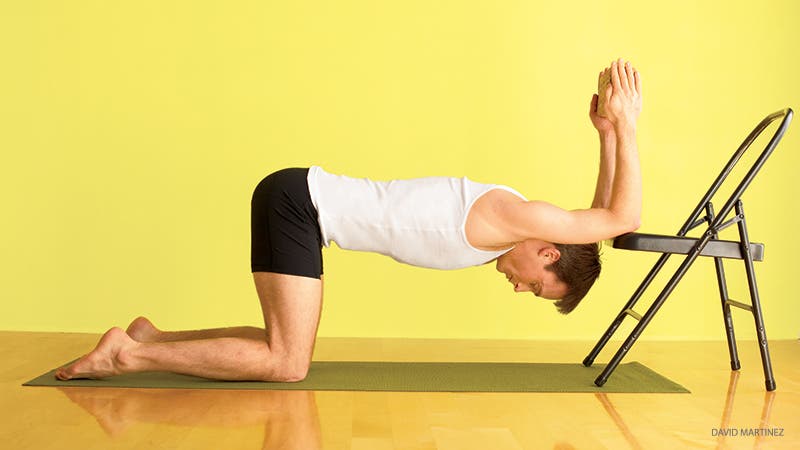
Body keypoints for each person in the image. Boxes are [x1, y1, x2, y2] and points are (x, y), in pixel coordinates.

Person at [56, 59, 642, 382]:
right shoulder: (513, 215)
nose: (518, 287)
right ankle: (126, 356)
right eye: (533, 285)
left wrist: (608, 134)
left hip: (295, 198)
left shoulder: (510, 226)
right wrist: (631, 127)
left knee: (279, 345)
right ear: (547, 251)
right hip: (300, 206)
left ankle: (151, 339)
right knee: (288, 364)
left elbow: (596, 218)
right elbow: (618, 218)